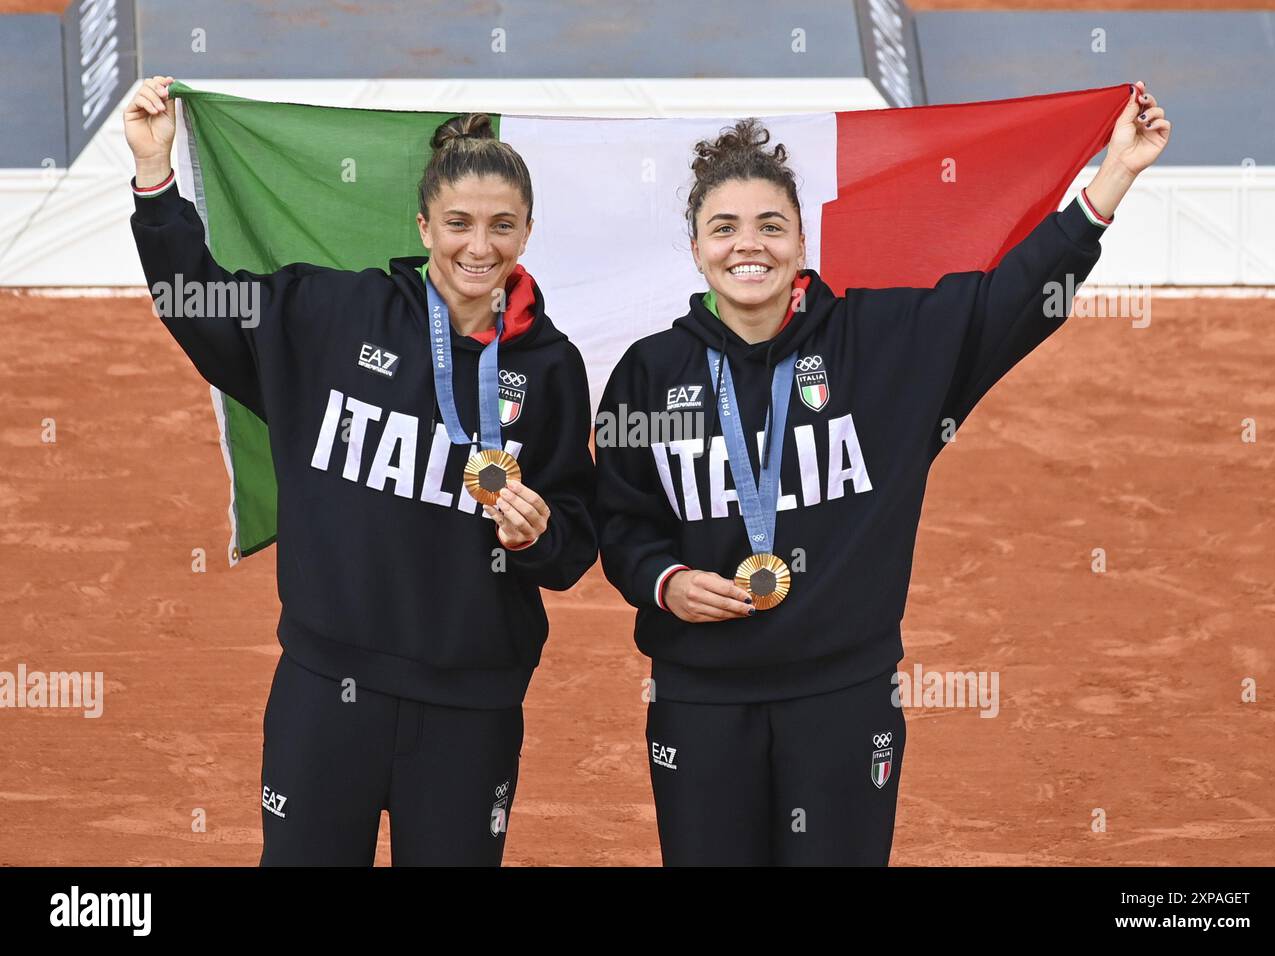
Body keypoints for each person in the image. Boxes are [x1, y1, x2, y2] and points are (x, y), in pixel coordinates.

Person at [595, 82, 1170, 865]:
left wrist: (1113, 178)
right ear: (696, 248)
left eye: (771, 225)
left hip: (843, 696)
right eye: (723, 228)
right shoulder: (651, 374)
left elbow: (1011, 302)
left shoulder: (881, 345)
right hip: (699, 698)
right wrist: (665, 581)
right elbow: (622, 521)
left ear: (801, 241)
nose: (748, 245)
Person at [124, 76, 598, 865]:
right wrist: (153, 178)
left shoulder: (550, 368)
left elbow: (574, 547)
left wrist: (539, 536)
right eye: (458, 224)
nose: (478, 247)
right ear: (422, 224)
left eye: (500, 226)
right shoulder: (332, 316)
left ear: (526, 231)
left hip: (471, 707)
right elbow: (197, 303)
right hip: (324, 689)